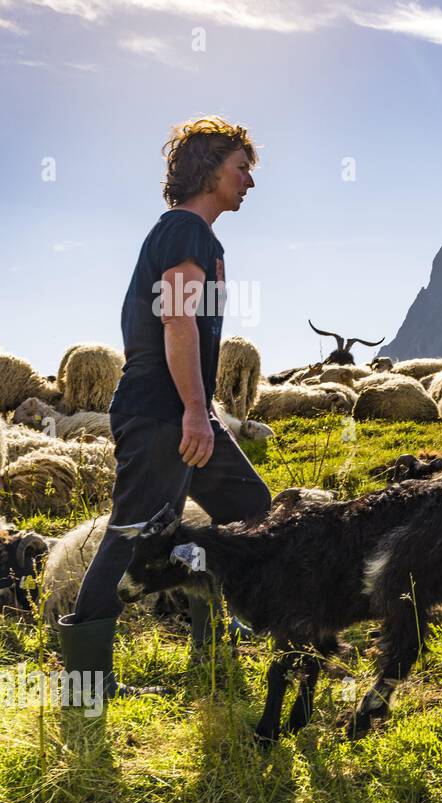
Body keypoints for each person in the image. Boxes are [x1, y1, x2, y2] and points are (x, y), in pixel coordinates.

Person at [56, 117, 272, 697]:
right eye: (241, 168)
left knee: (251, 507)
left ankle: (212, 645)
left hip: (176, 411)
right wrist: (197, 412)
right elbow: (178, 318)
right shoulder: (184, 231)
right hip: (164, 414)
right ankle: (84, 690)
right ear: (209, 171)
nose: (250, 181)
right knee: (130, 536)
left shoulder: (194, 237)